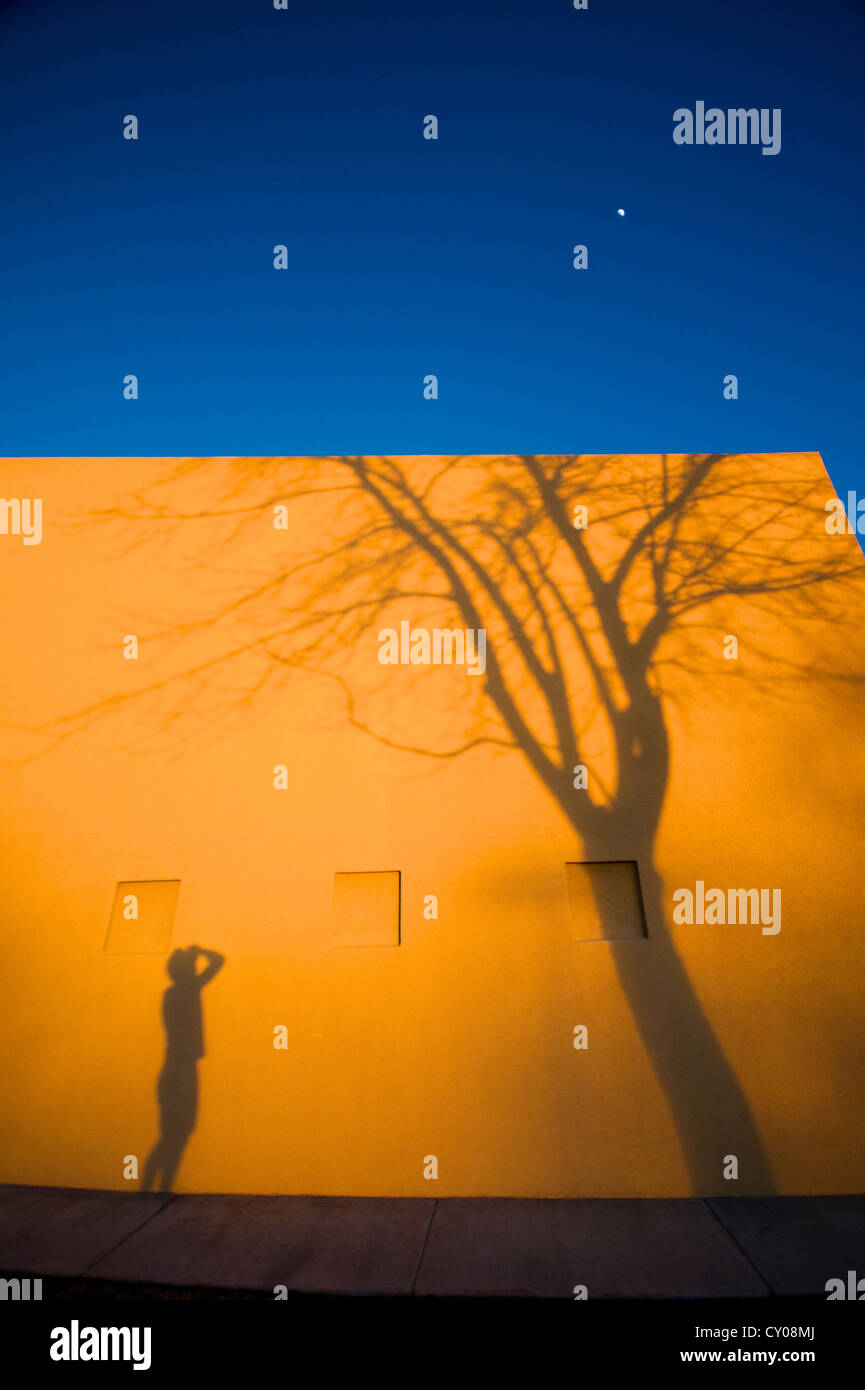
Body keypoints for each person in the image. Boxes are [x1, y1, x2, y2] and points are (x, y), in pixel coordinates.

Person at [140, 945, 225, 1193]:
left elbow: (217, 963)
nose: (196, 968)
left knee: (174, 1137)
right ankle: (153, 1190)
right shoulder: (187, 991)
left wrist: (193, 955)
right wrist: (200, 950)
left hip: (176, 1069)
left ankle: (152, 1189)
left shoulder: (175, 993)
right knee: (176, 1137)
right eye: (192, 967)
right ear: (185, 971)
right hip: (181, 1071)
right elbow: (219, 961)